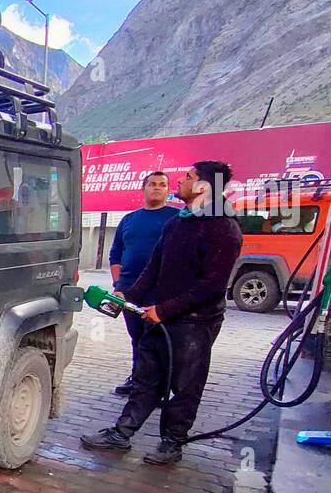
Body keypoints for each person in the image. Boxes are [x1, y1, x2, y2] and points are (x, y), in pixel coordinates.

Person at [81, 161, 242, 465]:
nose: (181, 181)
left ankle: (172, 442)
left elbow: (212, 285)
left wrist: (165, 309)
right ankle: (121, 433)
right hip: (159, 316)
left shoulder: (222, 227)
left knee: (185, 383)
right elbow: (154, 267)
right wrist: (126, 294)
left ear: (204, 187)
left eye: (188, 178)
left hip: (194, 323)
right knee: (145, 377)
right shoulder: (179, 222)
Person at [108, 171, 180, 396]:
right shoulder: (129, 220)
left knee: (159, 338)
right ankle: (138, 379)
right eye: (152, 184)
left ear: (168, 190)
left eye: (162, 185)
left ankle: (161, 386)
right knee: (137, 337)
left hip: (161, 289)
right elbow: (116, 254)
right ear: (143, 189)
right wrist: (118, 285)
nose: (157, 188)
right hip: (130, 289)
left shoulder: (177, 218)